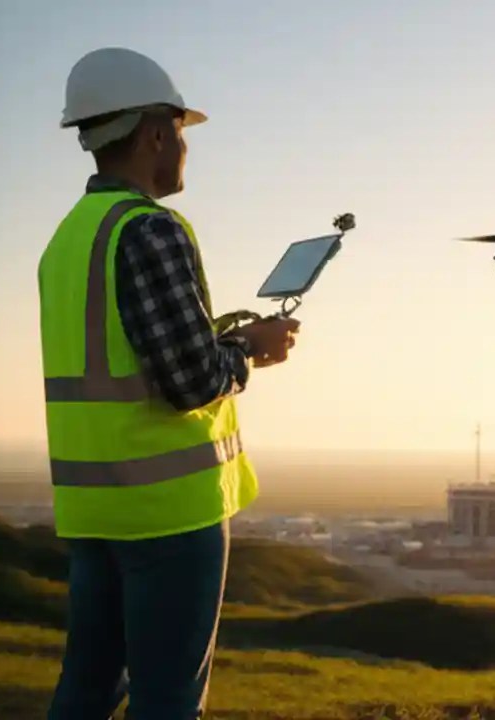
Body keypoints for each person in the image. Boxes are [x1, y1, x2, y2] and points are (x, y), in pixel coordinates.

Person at [38, 47, 298, 719]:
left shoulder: (69, 237)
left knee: (87, 690)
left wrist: (219, 340)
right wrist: (250, 348)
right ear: (154, 132)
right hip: (167, 515)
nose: (185, 148)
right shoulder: (150, 228)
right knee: (167, 702)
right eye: (182, 132)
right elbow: (190, 381)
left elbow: (127, 359)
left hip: (96, 510)